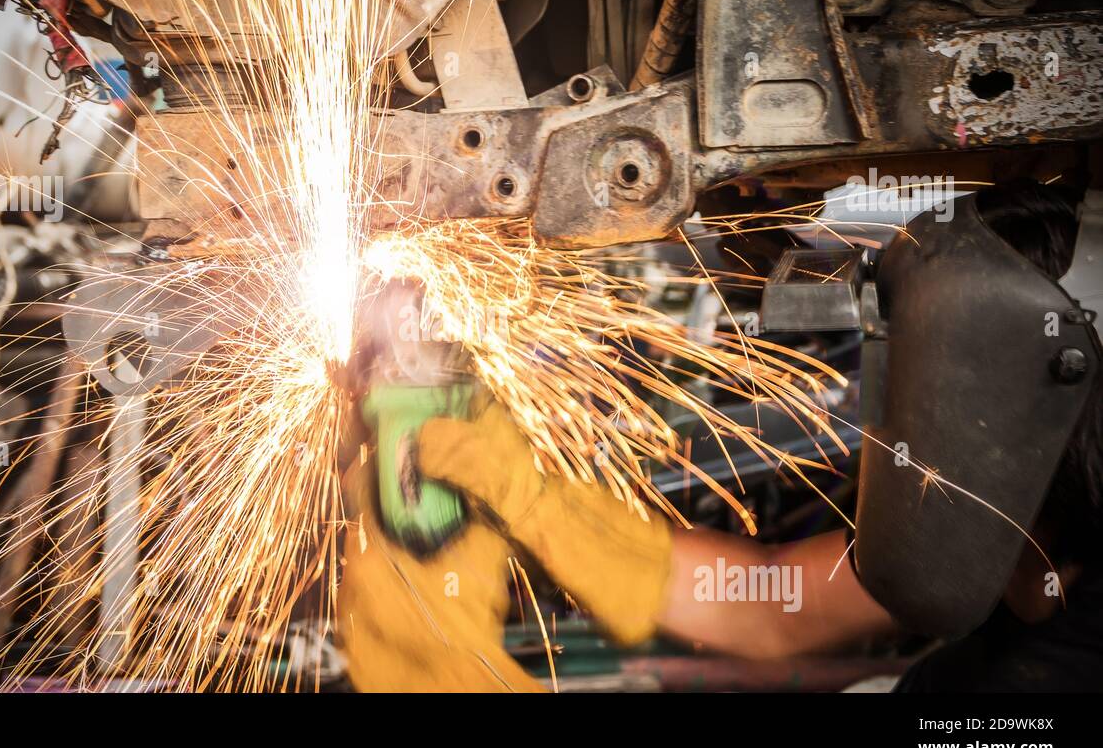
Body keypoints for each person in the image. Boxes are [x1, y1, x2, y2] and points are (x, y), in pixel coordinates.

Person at [336, 182, 1103, 692]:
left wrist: (436, 672)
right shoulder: (992, 548)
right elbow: (774, 606)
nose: (898, 426)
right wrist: (538, 503)